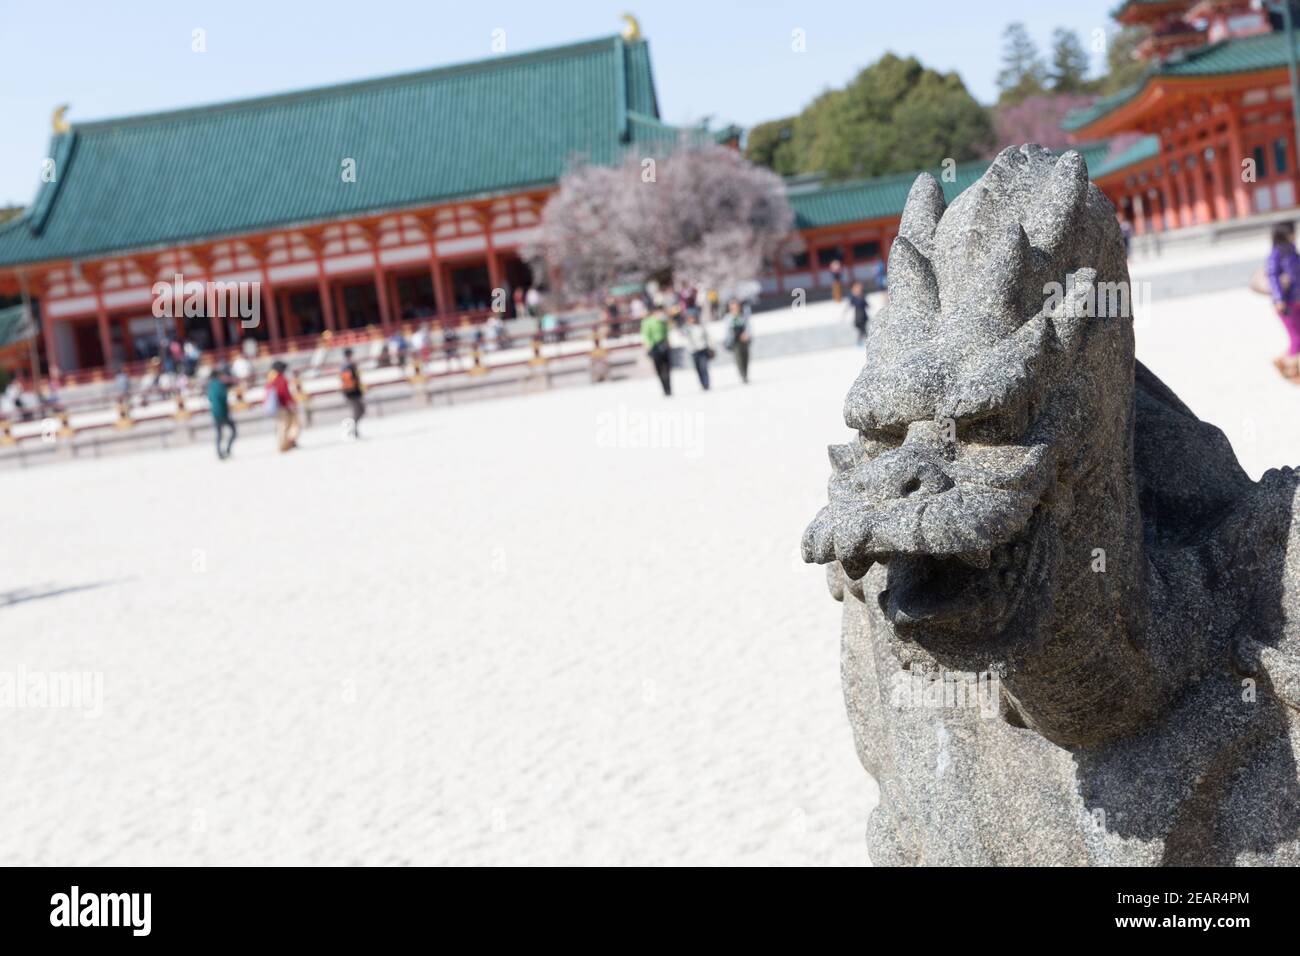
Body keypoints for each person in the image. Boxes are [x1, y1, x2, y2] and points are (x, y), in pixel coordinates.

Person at [1268, 222, 1300, 382]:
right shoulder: (1276, 254)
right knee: (1296, 338)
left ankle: (1281, 361)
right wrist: (1279, 298)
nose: (1295, 235)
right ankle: (1293, 372)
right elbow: (1273, 277)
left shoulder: (1292, 251)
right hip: (1285, 303)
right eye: (1293, 232)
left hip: (1296, 300)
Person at [266, 360, 299, 452]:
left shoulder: (271, 378)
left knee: (281, 426)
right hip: (282, 406)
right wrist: (290, 404)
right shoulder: (281, 379)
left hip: (276, 406)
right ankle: (283, 445)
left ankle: (285, 444)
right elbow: (284, 393)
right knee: (285, 426)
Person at [641, 306, 672, 396]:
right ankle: (664, 388)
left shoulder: (663, 321)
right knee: (659, 368)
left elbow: (666, 332)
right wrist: (648, 346)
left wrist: (668, 342)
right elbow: (646, 335)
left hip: (663, 344)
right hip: (654, 346)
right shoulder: (648, 322)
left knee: (667, 368)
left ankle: (668, 388)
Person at [207, 364, 236, 459]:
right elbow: (223, 398)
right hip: (222, 412)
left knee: (219, 434)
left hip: (214, 412)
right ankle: (227, 450)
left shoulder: (210, 386)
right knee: (233, 431)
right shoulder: (220, 385)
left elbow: (210, 398)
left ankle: (219, 453)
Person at [681, 310, 713, 390]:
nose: (692, 319)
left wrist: (711, 347)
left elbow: (707, 337)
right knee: (698, 368)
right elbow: (683, 337)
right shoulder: (686, 328)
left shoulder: (700, 326)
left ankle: (706, 384)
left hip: (702, 349)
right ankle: (702, 384)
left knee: (704, 367)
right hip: (693, 351)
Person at [724, 299, 752, 384]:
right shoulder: (728, 317)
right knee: (738, 358)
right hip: (735, 341)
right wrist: (727, 340)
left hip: (744, 339)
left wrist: (747, 335)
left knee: (745, 357)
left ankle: (746, 373)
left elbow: (748, 326)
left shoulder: (743, 316)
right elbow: (727, 330)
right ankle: (743, 375)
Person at [340, 347, 365, 438]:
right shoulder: (349, 365)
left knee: (359, 410)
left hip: (350, 392)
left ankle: (353, 429)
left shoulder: (344, 365)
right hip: (352, 392)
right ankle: (353, 429)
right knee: (358, 411)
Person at [846, 281, 870, 346]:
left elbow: (865, 304)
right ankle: (863, 341)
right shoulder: (853, 296)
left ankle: (864, 341)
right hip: (858, 314)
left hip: (863, 315)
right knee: (861, 329)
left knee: (863, 329)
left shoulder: (862, 295)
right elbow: (851, 303)